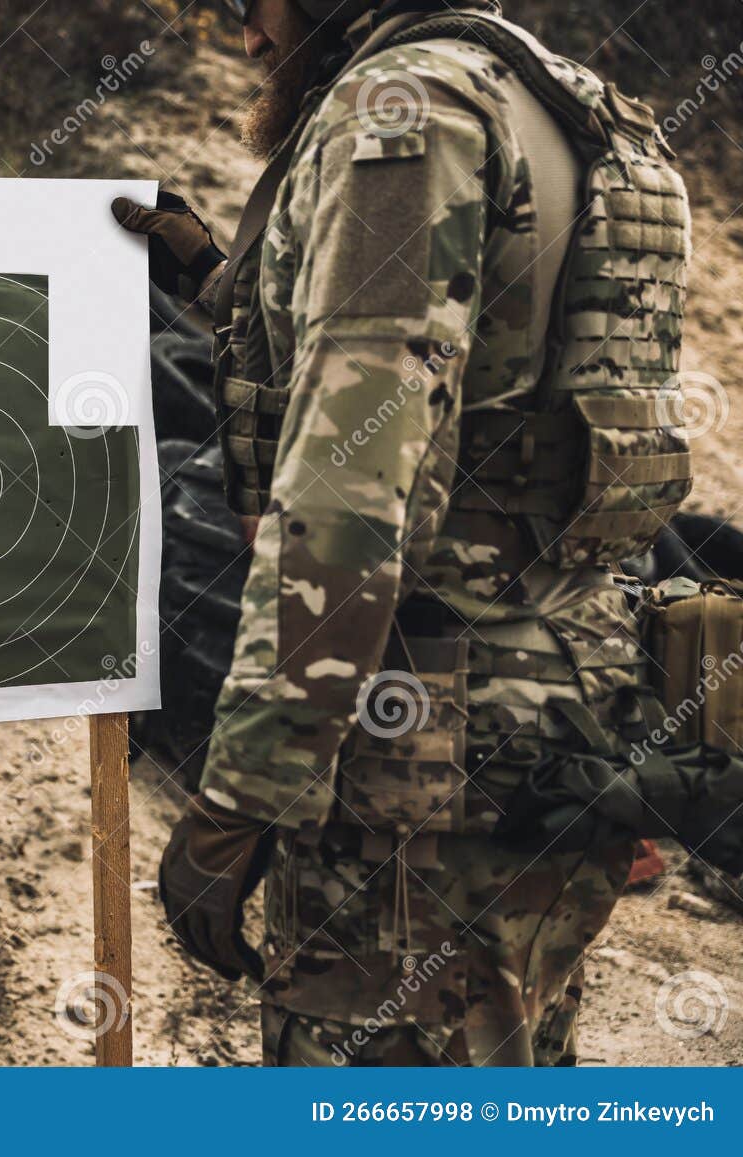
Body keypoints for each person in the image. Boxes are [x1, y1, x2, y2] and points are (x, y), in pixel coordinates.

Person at [115, 0, 692, 1065]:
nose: (245, 35)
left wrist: (241, 796)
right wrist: (221, 280)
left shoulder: (404, 112)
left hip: (419, 771)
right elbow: (500, 392)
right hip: (567, 726)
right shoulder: (578, 108)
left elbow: (351, 492)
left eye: (256, 7)